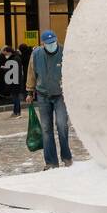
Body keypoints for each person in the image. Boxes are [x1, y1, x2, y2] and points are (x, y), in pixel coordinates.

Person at [26, 29, 72, 169]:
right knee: (46, 129)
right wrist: (29, 91)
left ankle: (66, 157)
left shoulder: (64, 52)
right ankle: (51, 162)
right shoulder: (36, 54)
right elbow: (31, 73)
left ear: (57, 40)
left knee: (62, 125)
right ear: (43, 43)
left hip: (60, 94)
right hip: (43, 94)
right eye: (48, 43)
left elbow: (72, 71)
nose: (51, 45)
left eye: (53, 42)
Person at [0, 45, 23, 117]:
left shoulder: (14, 59)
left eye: (6, 54)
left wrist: (5, 68)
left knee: (15, 97)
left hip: (15, 80)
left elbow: (12, 69)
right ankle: (17, 111)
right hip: (16, 80)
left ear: (9, 52)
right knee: (15, 97)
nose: (5, 56)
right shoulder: (16, 57)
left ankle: (16, 112)